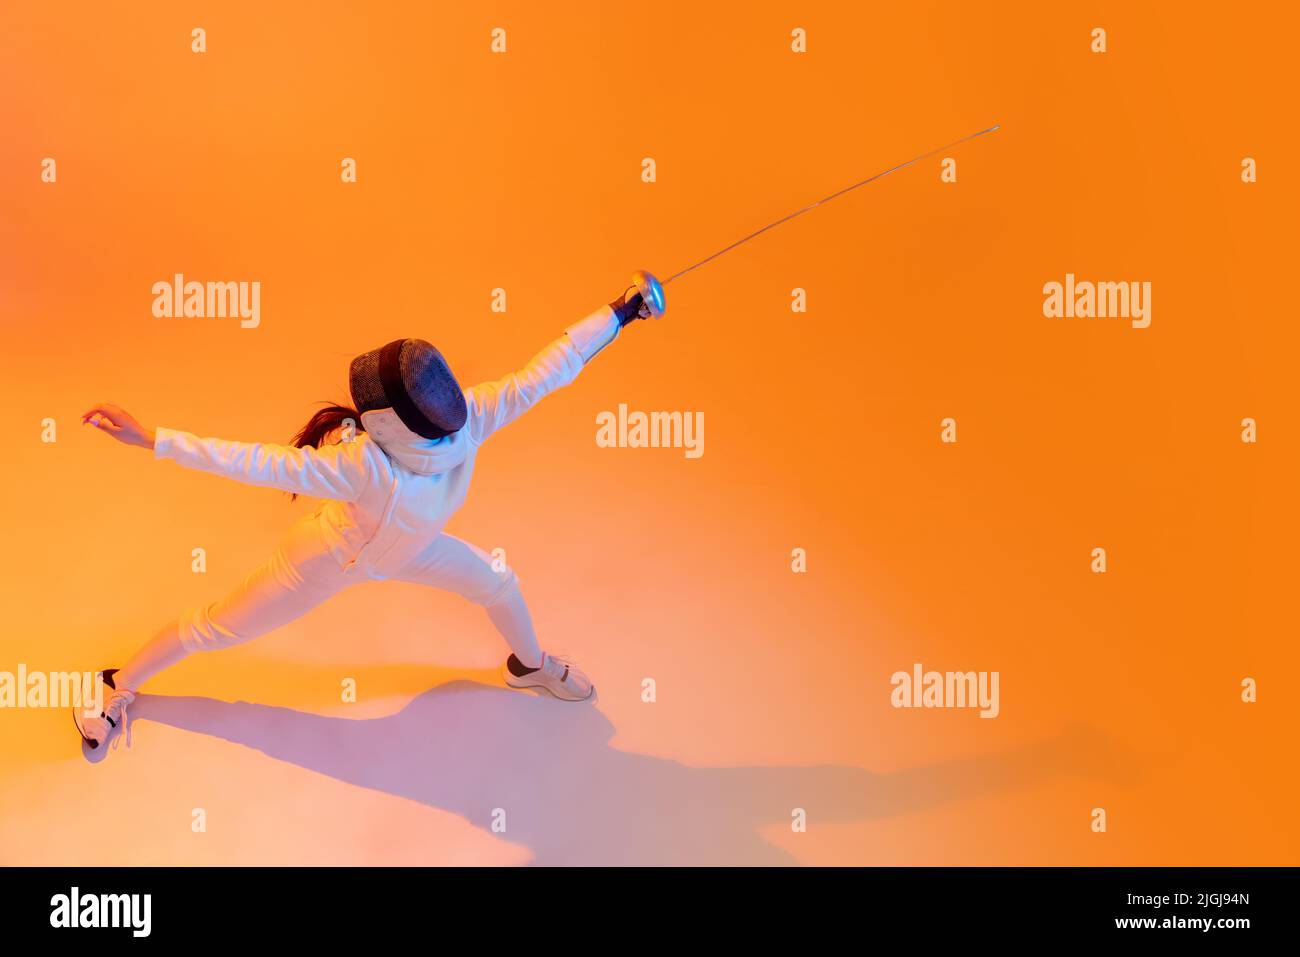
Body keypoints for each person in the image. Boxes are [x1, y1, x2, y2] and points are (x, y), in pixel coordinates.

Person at [73, 282, 658, 754]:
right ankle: (117, 687)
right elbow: (253, 462)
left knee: (500, 585)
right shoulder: (365, 459)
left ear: (389, 422)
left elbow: (550, 369)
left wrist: (617, 317)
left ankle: (528, 667)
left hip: (415, 550)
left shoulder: (446, 427)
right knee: (221, 627)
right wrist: (618, 312)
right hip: (326, 561)